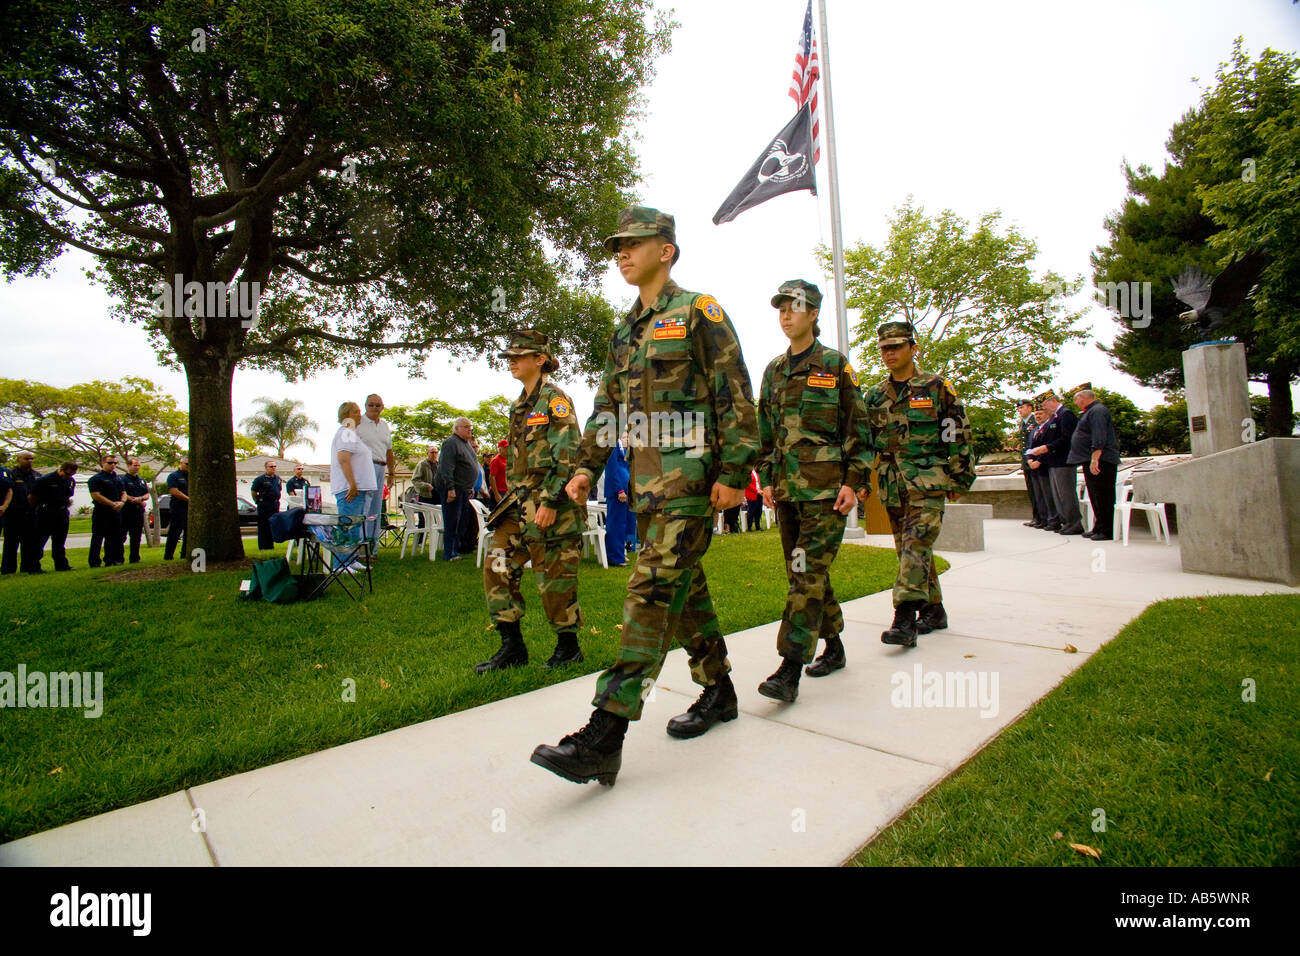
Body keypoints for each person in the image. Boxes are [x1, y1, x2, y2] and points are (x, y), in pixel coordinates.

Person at [531, 205, 758, 788]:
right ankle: (720, 690)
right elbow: (608, 407)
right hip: (646, 490)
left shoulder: (698, 312)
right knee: (683, 593)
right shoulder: (625, 332)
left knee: (650, 593)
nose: (623, 253)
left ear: (667, 250)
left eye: (635, 242)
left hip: (691, 483)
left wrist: (734, 469)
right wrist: (586, 468)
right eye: (617, 246)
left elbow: (736, 394)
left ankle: (604, 733)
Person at [756, 279, 872, 700]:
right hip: (787, 493)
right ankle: (835, 646)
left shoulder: (834, 365)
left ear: (814, 314)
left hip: (826, 494)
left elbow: (858, 428)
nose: (786, 314)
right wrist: (766, 478)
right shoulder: (773, 370)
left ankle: (789, 669)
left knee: (805, 575)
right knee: (804, 572)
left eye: (795, 307)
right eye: (781, 308)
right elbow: (764, 433)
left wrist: (854, 483)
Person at [478, 329, 587, 672]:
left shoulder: (555, 400)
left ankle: (568, 648)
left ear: (539, 359)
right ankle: (512, 646)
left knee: (553, 578)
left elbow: (568, 454)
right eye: (509, 357)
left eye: (518, 356)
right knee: (496, 563)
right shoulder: (520, 404)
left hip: (550, 505)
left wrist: (552, 502)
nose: (512, 361)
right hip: (518, 506)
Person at [863, 320, 975, 648]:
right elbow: (865, 442)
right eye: (885, 348)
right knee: (909, 550)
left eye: (897, 346)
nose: (890, 353)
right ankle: (934, 610)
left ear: (913, 348)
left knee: (916, 545)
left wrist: (960, 477)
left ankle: (904, 618)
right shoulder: (875, 396)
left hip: (930, 482)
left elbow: (957, 432)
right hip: (892, 484)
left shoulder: (937, 387)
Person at [329, 401, 379, 571]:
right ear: (347, 415)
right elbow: (343, 458)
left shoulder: (352, 434)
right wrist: (352, 484)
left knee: (356, 526)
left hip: (361, 489)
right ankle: (341, 564)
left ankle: (351, 559)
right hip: (350, 489)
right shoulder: (346, 433)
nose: (360, 415)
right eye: (356, 412)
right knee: (347, 525)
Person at [1069, 387, 1121, 540]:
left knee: (1103, 496)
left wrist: (1095, 458)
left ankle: (1106, 530)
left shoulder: (1097, 411)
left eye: (1076, 399)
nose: (1076, 403)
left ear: (1083, 398)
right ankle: (1098, 527)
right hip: (1091, 459)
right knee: (1096, 496)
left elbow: (1099, 436)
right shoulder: (1090, 411)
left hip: (1101, 460)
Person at [1029, 391, 1084, 535]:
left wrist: (1047, 447)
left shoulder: (1065, 414)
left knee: (1066, 494)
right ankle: (1066, 522)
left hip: (1063, 461)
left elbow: (1067, 438)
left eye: (1045, 404)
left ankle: (1074, 523)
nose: (1044, 408)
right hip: (1054, 461)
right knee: (1058, 495)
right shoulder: (1055, 417)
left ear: (1053, 400)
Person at [356, 394, 397, 547]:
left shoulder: (385, 425)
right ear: (365, 406)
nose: (374, 408)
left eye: (377, 405)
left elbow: (389, 451)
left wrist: (391, 473)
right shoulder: (357, 423)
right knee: (363, 507)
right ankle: (360, 546)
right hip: (365, 466)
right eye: (371, 405)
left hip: (381, 467)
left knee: (375, 509)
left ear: (382, 407)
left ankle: (372, 547)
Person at [436, 418, 478, 562]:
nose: (469, 429)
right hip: (454, 489)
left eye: (470, 427)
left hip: (464, 489)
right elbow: (446, 468)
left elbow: (470, 466)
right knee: (452, 521)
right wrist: (450, 488)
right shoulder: (451, 443)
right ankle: (449, 553)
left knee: (462, 522)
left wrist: (470, 486)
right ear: (457, 428)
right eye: (466, 427)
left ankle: (457, 549)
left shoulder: (466, 444)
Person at [29, 461, 78, 572]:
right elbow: (32, 497)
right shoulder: (45, 480)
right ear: (60, 470)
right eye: (67, 474)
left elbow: (68, 495)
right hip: (46, 512)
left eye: (71, 475)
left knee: (60, 541)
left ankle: (61, 565)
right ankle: (33, 566)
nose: (68, 477)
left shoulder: (70, 481)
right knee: (39, 541)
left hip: (62, 513)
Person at [1, 450, 41, 574]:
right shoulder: (10, 474)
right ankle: (8, 569)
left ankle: (29, 567)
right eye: (26, 459)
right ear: (18, 459)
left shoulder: (37, 476)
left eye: (31, 459)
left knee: (30, 542)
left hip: (31, 514)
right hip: (13, 514)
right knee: (11, 543)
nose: (30, 461)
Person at [87, 454, 126, 568]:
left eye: (115, 463)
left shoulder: (117, 478)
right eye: (110, 463)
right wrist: (111, 503)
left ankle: (110, 560)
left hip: (116, 512)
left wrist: (122, 502)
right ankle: (94, 562)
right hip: (102, 512)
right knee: (98, 537)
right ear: (103, 463)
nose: (113, 465)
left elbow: (123, 492)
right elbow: (96, 495)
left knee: (114, 537)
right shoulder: (96, 479)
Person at [1025, 407, 1059, 530]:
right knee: (1039, 495)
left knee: (1048, 495)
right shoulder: (1035, 430)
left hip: (1044, 465)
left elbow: (1048, 446)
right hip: (1034, 467)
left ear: (1047, 414)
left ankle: (1053, 520)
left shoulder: (1049, 427)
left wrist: (1039, 461)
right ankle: (1043, 519)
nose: (1038, 416)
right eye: (1036, 414)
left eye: (1040, 414)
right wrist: (1029, 459)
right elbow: (1029, 447)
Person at [603, 433, 631, 568]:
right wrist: (619, 489)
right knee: (615, 524)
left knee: (622, 524)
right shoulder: (612, 447)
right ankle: (614, 557)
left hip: (625, 491)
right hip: (617, 492)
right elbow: (612, 470)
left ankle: (620, 552)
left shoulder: (622, 448)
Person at [1015, 399, 1044, 528]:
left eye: (1022, 408)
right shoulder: (1023, 423)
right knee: (1032, 491)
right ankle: (1036, 517)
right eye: (1018, 409)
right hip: (1027, 462)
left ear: (1030, 408)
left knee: (1039, 492)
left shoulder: (1035, 421)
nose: (1019, 411)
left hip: (1034, 461)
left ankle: (1043, 517)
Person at [120, 457, 150, 563]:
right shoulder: (123, 480)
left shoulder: (141, 480)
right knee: (122, 536)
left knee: (136, 536)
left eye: (138, 465)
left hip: (138, 512)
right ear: (128, 466)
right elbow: (123, 494)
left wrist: (141, 498)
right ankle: (119, 558)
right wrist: (135, 500)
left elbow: (146, 494)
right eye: (134, 465)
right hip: (126, 511)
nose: (137, 467)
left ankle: (135, 558)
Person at [250, 459, 283, 550]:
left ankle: (270, 545)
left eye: (274, 466)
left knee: (272, 525)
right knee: (264, 526)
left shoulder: (277, 479)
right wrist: (258, 501)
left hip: (275, 505)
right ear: (266, 468)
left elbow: (279, 490)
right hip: (264, 505)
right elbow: (253, 492)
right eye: (271, 466)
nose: (273, 468)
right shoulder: (260, 479)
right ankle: (263, 546)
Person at [163, 457, 190, 560]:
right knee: (174, 533)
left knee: (188, 533)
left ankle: (184, 554)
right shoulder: (174, 476)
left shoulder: (191, 476)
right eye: (187, 464)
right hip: (178, 508)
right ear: (181, 463)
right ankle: (168, 555)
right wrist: (188, 499)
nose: (188, 466)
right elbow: (174, 491)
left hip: (189, 509)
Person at [490, 439, 509, 504]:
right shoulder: (496, 460)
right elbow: (492, 477)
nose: (507, 449)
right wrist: (496, 494)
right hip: (499, 491)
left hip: (506, 491)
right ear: (500, 449)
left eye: (508, 447)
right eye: (505, 448)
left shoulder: (508, 459)